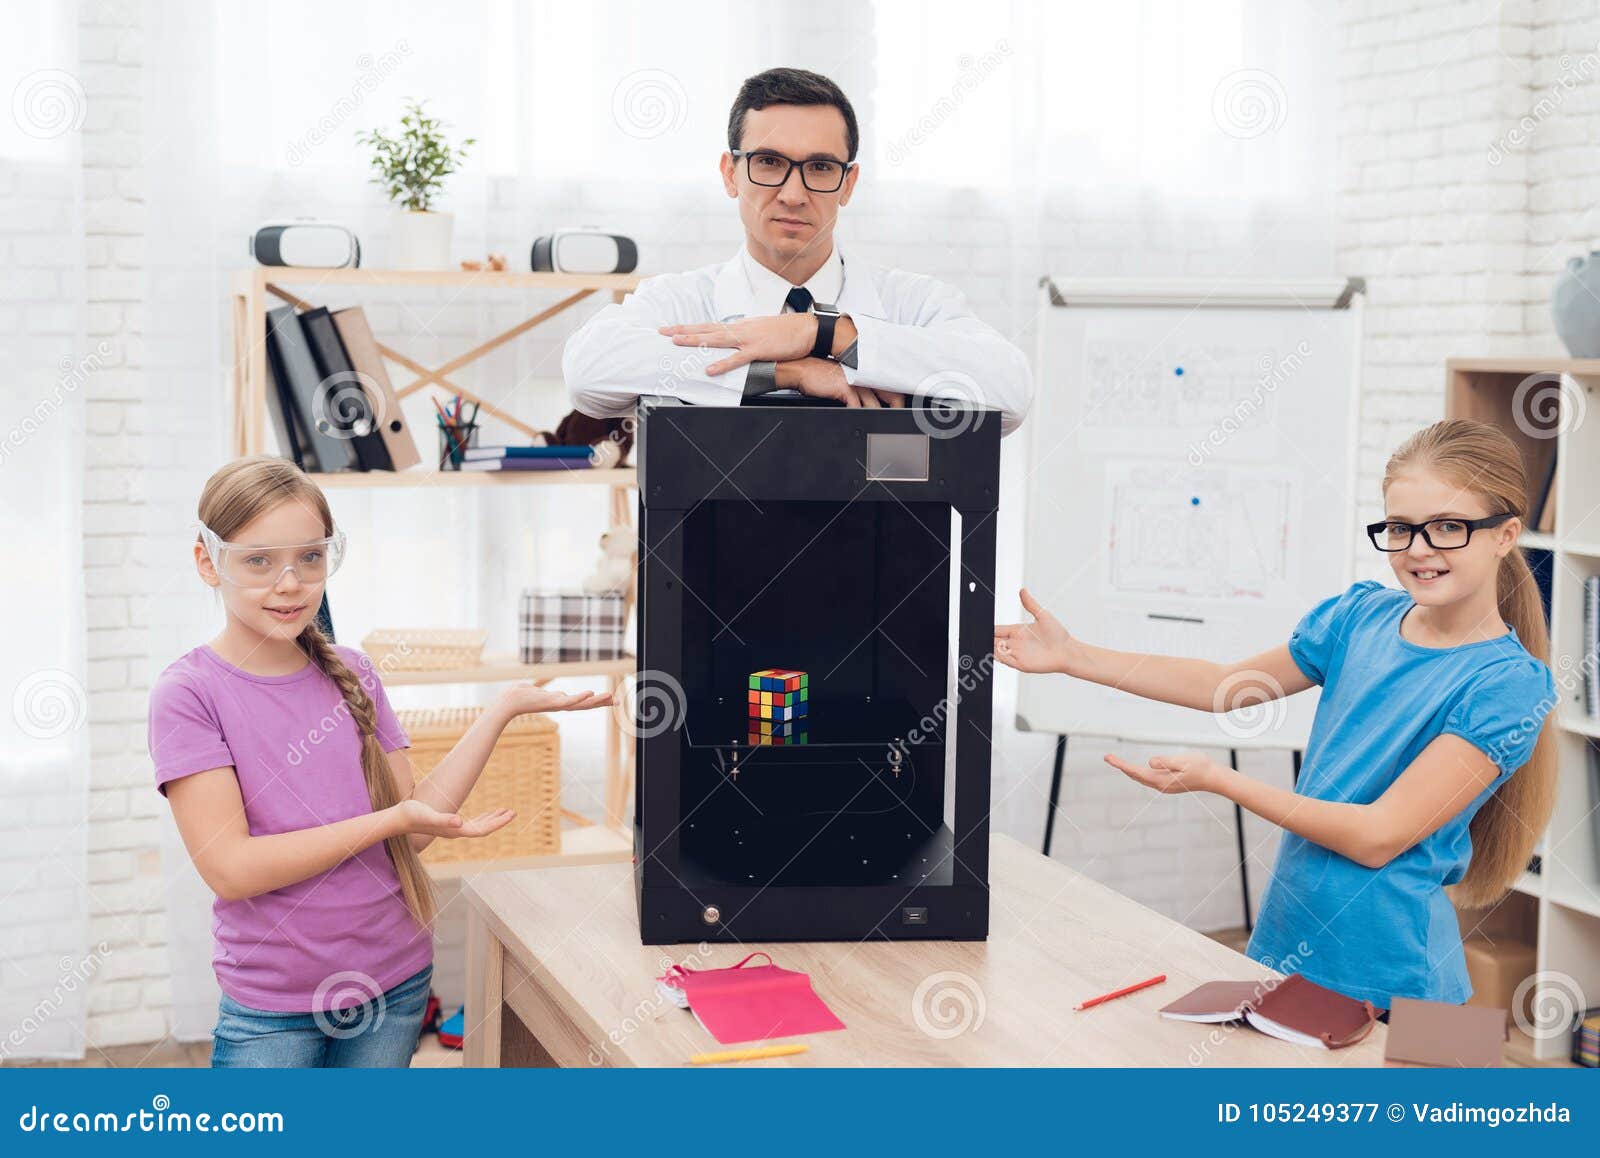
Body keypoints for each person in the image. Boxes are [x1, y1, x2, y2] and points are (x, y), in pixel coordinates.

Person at [994, 419, 1558, 1009]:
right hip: (1289, 941)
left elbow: (1376, 836)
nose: (1418, 550)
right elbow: (1224, 688)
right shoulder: (1358, 617)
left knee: (1444, 1106)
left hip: (1404, 984)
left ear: (1505, 534)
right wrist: (1072, 656)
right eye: (1400, 528)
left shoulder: (1508, 685)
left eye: (1448, 527)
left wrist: (1219, 780)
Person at [147, 456, 611, 1066]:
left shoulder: (355, 672)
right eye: (258, 560)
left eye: (309, 558)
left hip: (393, 986)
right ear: (209, 562)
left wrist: (500, 710)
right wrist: (387, 823)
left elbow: (411, 831)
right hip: (274, 1007)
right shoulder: (189, 694)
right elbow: (232, 869)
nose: (289, 583)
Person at [564, 67, 1032, 435]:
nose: (793, 193)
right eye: (769, 162)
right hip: (711, 553)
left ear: (847, 184)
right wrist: (783, 370)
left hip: (891, 553)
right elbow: (589, 372)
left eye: (821, 167)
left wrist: (825, 334)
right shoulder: (680, 300)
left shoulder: (914, 303)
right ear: (731, 174)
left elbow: (1010, 392)